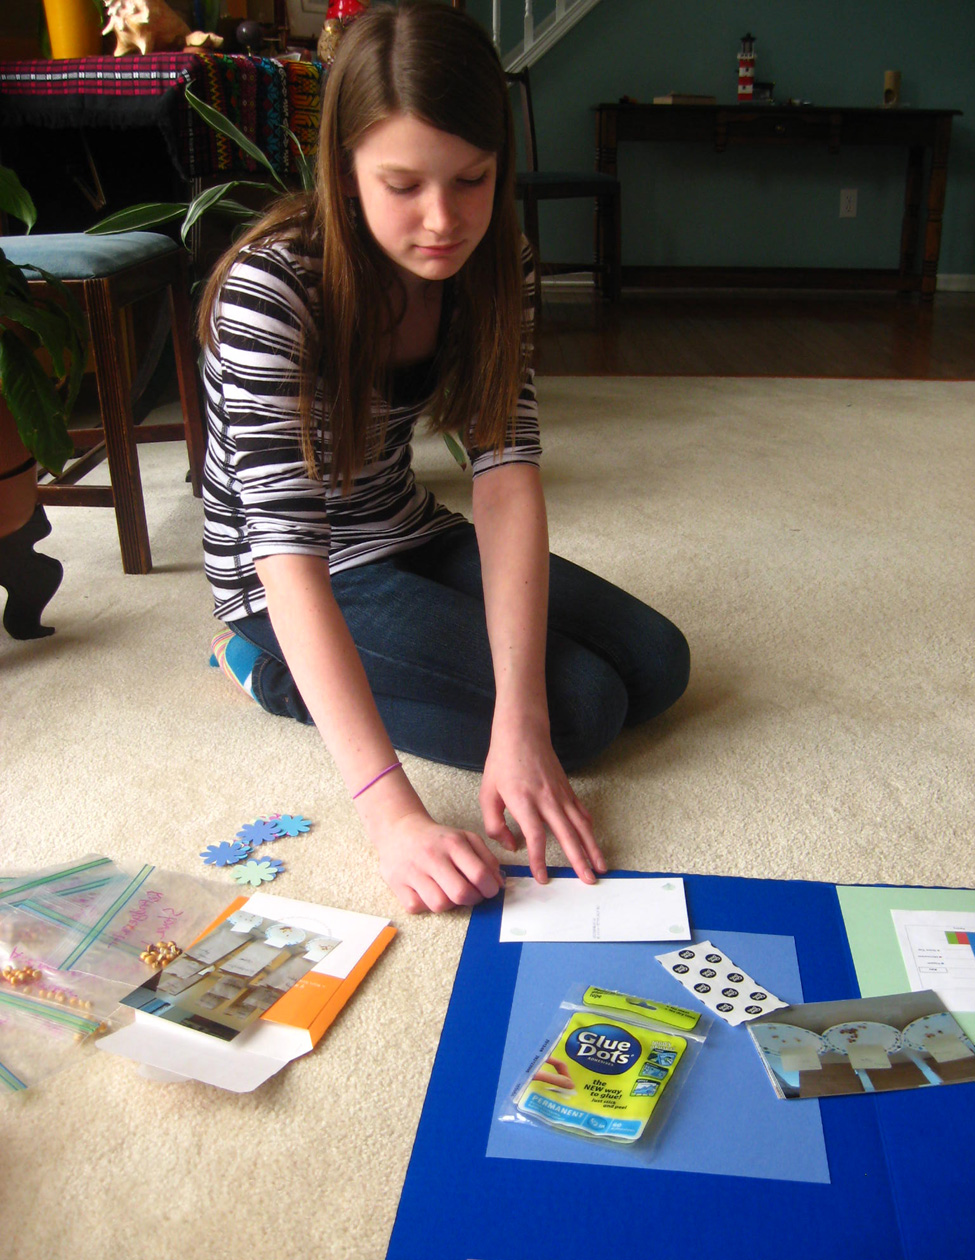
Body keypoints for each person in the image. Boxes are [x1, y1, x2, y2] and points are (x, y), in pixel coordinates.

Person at [200, 1, 689, 914]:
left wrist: (519, 716)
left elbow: (505, 476)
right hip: (288, 574)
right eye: (402, 185)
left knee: (655, 665)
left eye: (471, 180)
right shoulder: (273, 288)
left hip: (403, 527)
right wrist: (391, 818)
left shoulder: (500, 262)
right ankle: (260, 671)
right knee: (587, 709)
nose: (443, 221)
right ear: (344, 171)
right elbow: (287, 556)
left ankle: (512, 697)